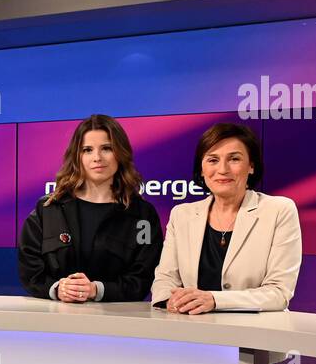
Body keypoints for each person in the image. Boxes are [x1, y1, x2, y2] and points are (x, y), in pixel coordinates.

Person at [151, 122, 301, 313]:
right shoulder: (182, 215)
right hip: (192, 332)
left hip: (258, 335)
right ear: (202, 168)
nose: (222, 169)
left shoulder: (279, 210)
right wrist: (169, 300)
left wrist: (214, 299)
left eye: (234, 159)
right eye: (212, 160)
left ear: (251, 166)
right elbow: (165, 279)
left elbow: (279, 293)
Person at [18, 114, 163, 301]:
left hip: (117, 323)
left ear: (120, 153)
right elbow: (30, 271)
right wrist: (57, 289)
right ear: (77, 157)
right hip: (55, 323)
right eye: (87, 150)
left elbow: (142, 279)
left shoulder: (143, 215)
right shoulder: (47, 208)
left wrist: (96, 290)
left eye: (107, 148)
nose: (97, 158)